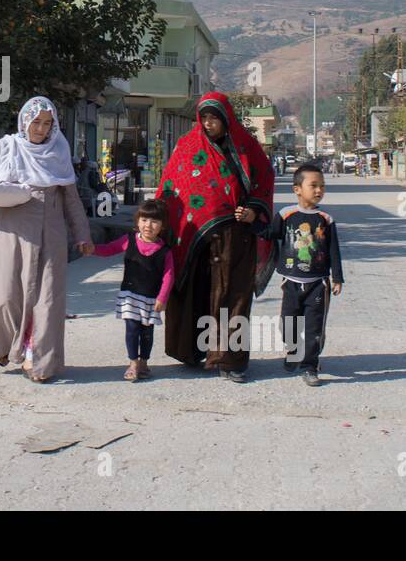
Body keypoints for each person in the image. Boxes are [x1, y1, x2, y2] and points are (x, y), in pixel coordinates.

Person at [0, 96, 92, 383]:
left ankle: (39, 362)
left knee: (47, 299)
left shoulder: (59, 151)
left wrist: (82, 235)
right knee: (4, 293)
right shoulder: (6, 147)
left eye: (47, 123)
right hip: (11, 231)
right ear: (24, 121)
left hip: (51, 233)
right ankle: (4, 346)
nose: (41, 129)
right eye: (36, 122)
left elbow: (72, 198)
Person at [154, 92, 275, 383]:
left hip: (235, 234)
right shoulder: (187, 145)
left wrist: (254, 210)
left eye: (214, 118)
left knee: (233, 296)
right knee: (196, 292)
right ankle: (193, 351)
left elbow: (265, 180)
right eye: (204, 118)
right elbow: (171, 185)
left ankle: (231, 361)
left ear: (226, 118)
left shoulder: (246, 146)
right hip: (194, 237)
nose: (209, 124)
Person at [252, 163, 344, 385]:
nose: (319, 190)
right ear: (297, 189)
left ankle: (310, 366)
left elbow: (334, 251)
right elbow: (269, 233)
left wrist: (337, 278)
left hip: (318, 284)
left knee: (314, 327)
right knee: (288, 323)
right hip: (291, 282)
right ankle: (293, 352)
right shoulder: (286, 215)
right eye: (313, 185)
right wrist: (250, 222)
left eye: (322, 186)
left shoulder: (325, 219)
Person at [87, 199, 175, 382]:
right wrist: (92, 249)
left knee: (147, 332)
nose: (148, 225)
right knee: (132, 329)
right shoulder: (129, 241)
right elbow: (109, 249)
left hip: (151, 299)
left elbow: (168, 277)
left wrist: (162, 298)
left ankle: (144, 363)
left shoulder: (164, 251)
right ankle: (133, 363)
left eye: (154, 221)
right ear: (138, 221)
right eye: (144, 220)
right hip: (130, 296)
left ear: (162, 225)